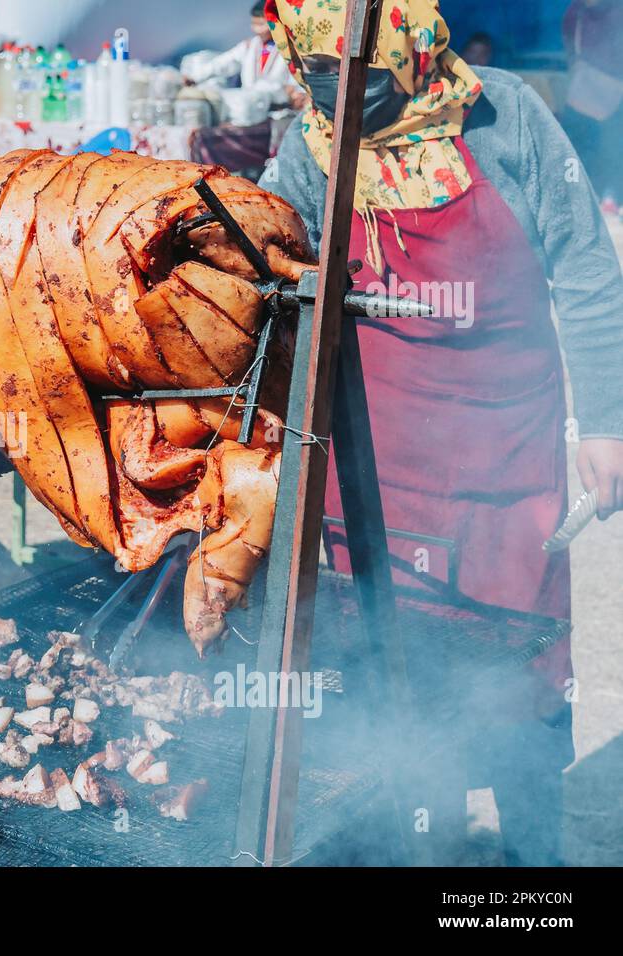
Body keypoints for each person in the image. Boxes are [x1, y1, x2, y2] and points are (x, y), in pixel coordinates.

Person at [260, 0, 623, 866]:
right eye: (320, 78)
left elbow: (584, 265)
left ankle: (534, 869)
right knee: (390, 673)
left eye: (367, 81)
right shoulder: (307, 147)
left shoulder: (504, 117)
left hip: (506, 461)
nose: (342, 101)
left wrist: (606, 424)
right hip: (374, 470)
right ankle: (420, 853)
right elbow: (269, 279)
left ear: (415, 54)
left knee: (519, 672)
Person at [184, 1, 303, 176]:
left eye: (261, 24)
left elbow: (297, 84)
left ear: (274, 22)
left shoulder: (289, 48)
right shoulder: (249, 46)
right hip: (250, 114)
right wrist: (195, 77)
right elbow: (223, 64)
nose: (256, 29)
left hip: (279, 116)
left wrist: (288, 95)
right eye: (254, 24)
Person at [561, 0, 623, 215]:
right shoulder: (574, 12)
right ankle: (576, 198)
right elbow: (571, 50)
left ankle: (611, 197)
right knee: (575, 149)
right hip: (583, 90)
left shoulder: (618, 10)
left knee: (614, 147)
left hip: (615, 93)